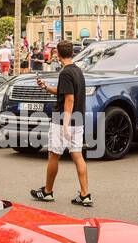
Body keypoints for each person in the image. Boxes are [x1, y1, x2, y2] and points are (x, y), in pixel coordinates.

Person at [30, 40, 92, 206]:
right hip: (77, 119)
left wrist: (65, 124)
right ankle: (85, 194)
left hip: (63, 120)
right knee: (77, 155)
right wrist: (46, 87)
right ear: (71, 53)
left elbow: (69, 99)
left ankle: (47, 191)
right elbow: (65, 92)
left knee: (53, 155)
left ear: (57, 54)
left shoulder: (65, 73)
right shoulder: (77, 71)